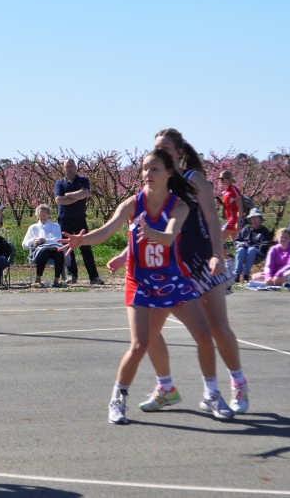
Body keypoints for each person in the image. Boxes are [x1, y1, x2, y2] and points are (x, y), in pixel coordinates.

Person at [60, 149, 229, 425]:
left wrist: (152, 233)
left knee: (203, 334)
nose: (148, 174)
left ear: (169, 173)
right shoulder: (132, 204)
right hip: (140, 280)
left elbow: (170, 236)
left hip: (173, 277)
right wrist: (82, 240)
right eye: (145, 169)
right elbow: (106, 231)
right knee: (139, 344)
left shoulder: (179, 206)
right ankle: (117, 400)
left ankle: (212, 393)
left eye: (154, 169)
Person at [108, 129, 248, 415]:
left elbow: (213, 220)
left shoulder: (194, 180)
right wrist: (125, 254)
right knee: (148, 335)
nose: (161, 152)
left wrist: (217, 255)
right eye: (156, 148)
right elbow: (146, 226)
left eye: (166, 148)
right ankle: (166, 388)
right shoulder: (157, 182)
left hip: (202, 263)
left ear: (179, 152)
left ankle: (237, 384)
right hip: (170, 268)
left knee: (217, 329)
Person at [55, 158, 103, 285]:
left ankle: (94, 277)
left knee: (86, 247)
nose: (70, 168)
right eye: (67, 166)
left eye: (72, 166)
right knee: (68, 249)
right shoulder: (59, 183)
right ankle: (72, 275)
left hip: (80, 219)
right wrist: (77, 196)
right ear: (63, 168)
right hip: (64, 219)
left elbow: (84, 193)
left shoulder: (83, 180)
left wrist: (67, 195)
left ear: (75, 167)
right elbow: (59, 200)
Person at [22, 204, 66, 288]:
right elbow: (24, 244)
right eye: (40, 214)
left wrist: (46, 240)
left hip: (54, 248)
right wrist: (34, 240)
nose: (42, 217)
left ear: (49, 215)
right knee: (44, 252)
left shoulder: (56, 226)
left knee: (59, 253)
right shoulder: (33, 227)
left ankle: (56, 279)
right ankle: (38, 278)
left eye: (45, 214)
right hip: (40, 250)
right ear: (37, 215)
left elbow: (59, 240)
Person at [232, 208, 273, 282]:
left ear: (261, 220)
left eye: (256, 218)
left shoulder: (265, 231)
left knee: (251, 250)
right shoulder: (246, 229)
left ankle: (246, 275)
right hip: (244, 252)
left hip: (258, 254)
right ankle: (237, 275)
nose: (254, 220)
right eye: (252, 218)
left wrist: (250, 246)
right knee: (241, 250)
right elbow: (236, 240)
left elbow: (265, 244)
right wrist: (238, 244)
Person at [219, 170, 244, 243]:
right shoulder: (225, 191)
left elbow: (240, 207)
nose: (220, 181)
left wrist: (238, 222)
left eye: (222, 179)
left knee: (218, 239)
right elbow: (228, 205)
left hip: (234, 220)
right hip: (230, 220)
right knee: (236, 244)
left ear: (227, 178)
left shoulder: (233, 189)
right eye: (220, 179)